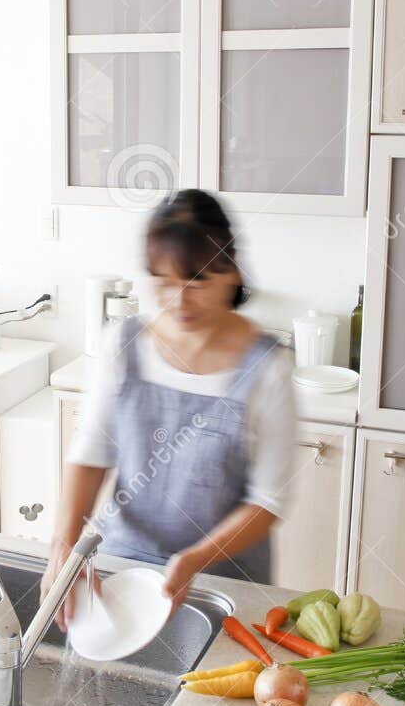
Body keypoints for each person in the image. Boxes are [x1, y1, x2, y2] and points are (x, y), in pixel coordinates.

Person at [44, 189, 296, 623]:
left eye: (197, 280)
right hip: (124, 567)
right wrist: (63, 548)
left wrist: (195, 558)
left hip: (225, 582)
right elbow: (91, 455)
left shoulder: (267, 367)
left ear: (231, 273)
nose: (179, 300)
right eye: (163, 282)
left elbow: (268, 500)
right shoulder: (123, 345)